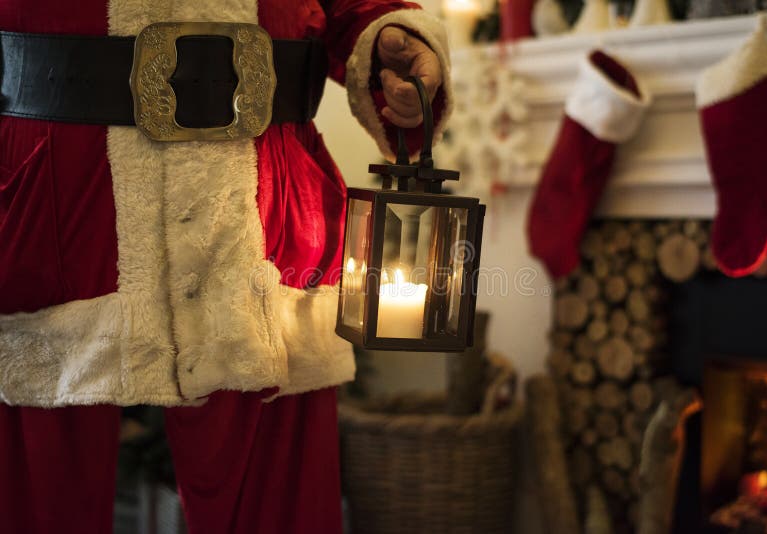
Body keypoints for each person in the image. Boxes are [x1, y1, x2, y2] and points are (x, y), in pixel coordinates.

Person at [0, 1, 452, 533]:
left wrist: (392, 35)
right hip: (56, 210)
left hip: (270, 220)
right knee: (38, 499)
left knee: (281, 508)